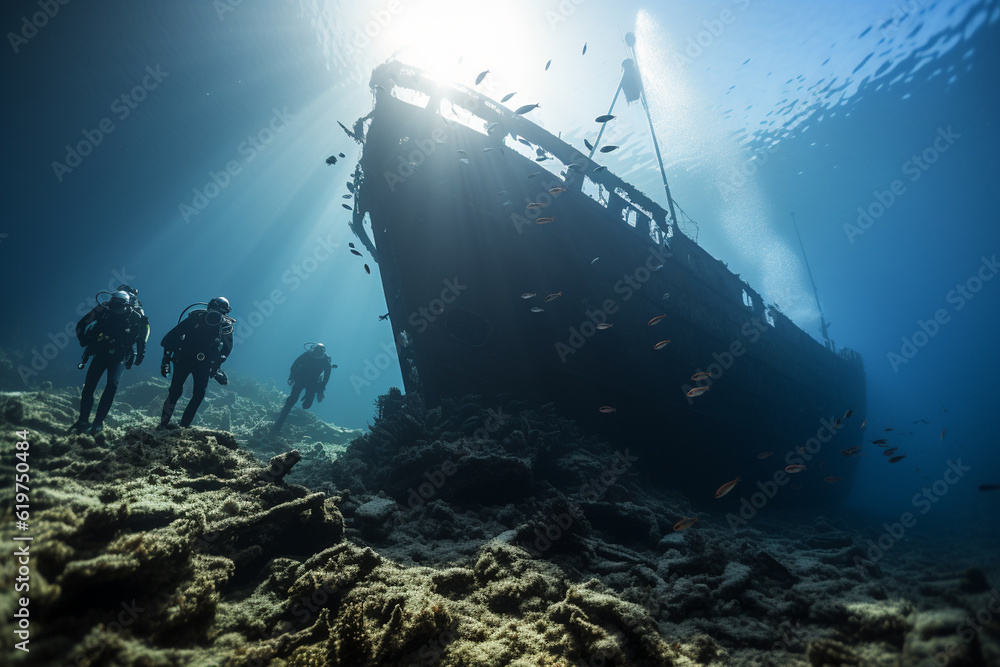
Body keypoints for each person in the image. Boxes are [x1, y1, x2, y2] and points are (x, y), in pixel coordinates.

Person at [71, 287, 150, 435]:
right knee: (92, 387)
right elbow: (81, 325)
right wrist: (84, 341)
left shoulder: (134, 316)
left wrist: (140, 353)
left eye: (119, 307)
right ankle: (85, 421)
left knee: (107, 387)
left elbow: (140, 336)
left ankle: (96, 423)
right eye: (114, 306)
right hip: (102, 354)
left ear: (127, 305)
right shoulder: (103, 310)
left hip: (117, 356)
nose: (116, 310)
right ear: (110, 303)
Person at [158, 297, 234, 429]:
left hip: (199, 362)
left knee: (196, 395)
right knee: (177, 392)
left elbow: (226, 351)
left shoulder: (225, 326)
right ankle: (165, 425)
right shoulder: (196, 318)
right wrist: (166, 361)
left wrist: (216, 368)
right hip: (185, 359)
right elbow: (170, 338)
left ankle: (180, 426)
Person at [272, 342, 336, 435]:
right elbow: (294, 366)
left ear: (323, 353)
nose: (316, 354)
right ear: (313, 350)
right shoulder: (307, 355)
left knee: (306, 406)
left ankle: (308, 396)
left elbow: (327, 377)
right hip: (300, 380)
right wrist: (291, 377)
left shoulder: (325, 361)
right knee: (291, 401)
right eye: (315, 352)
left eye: (319, 353)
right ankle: (278, 425)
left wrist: (321, 389)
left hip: (313, 383)